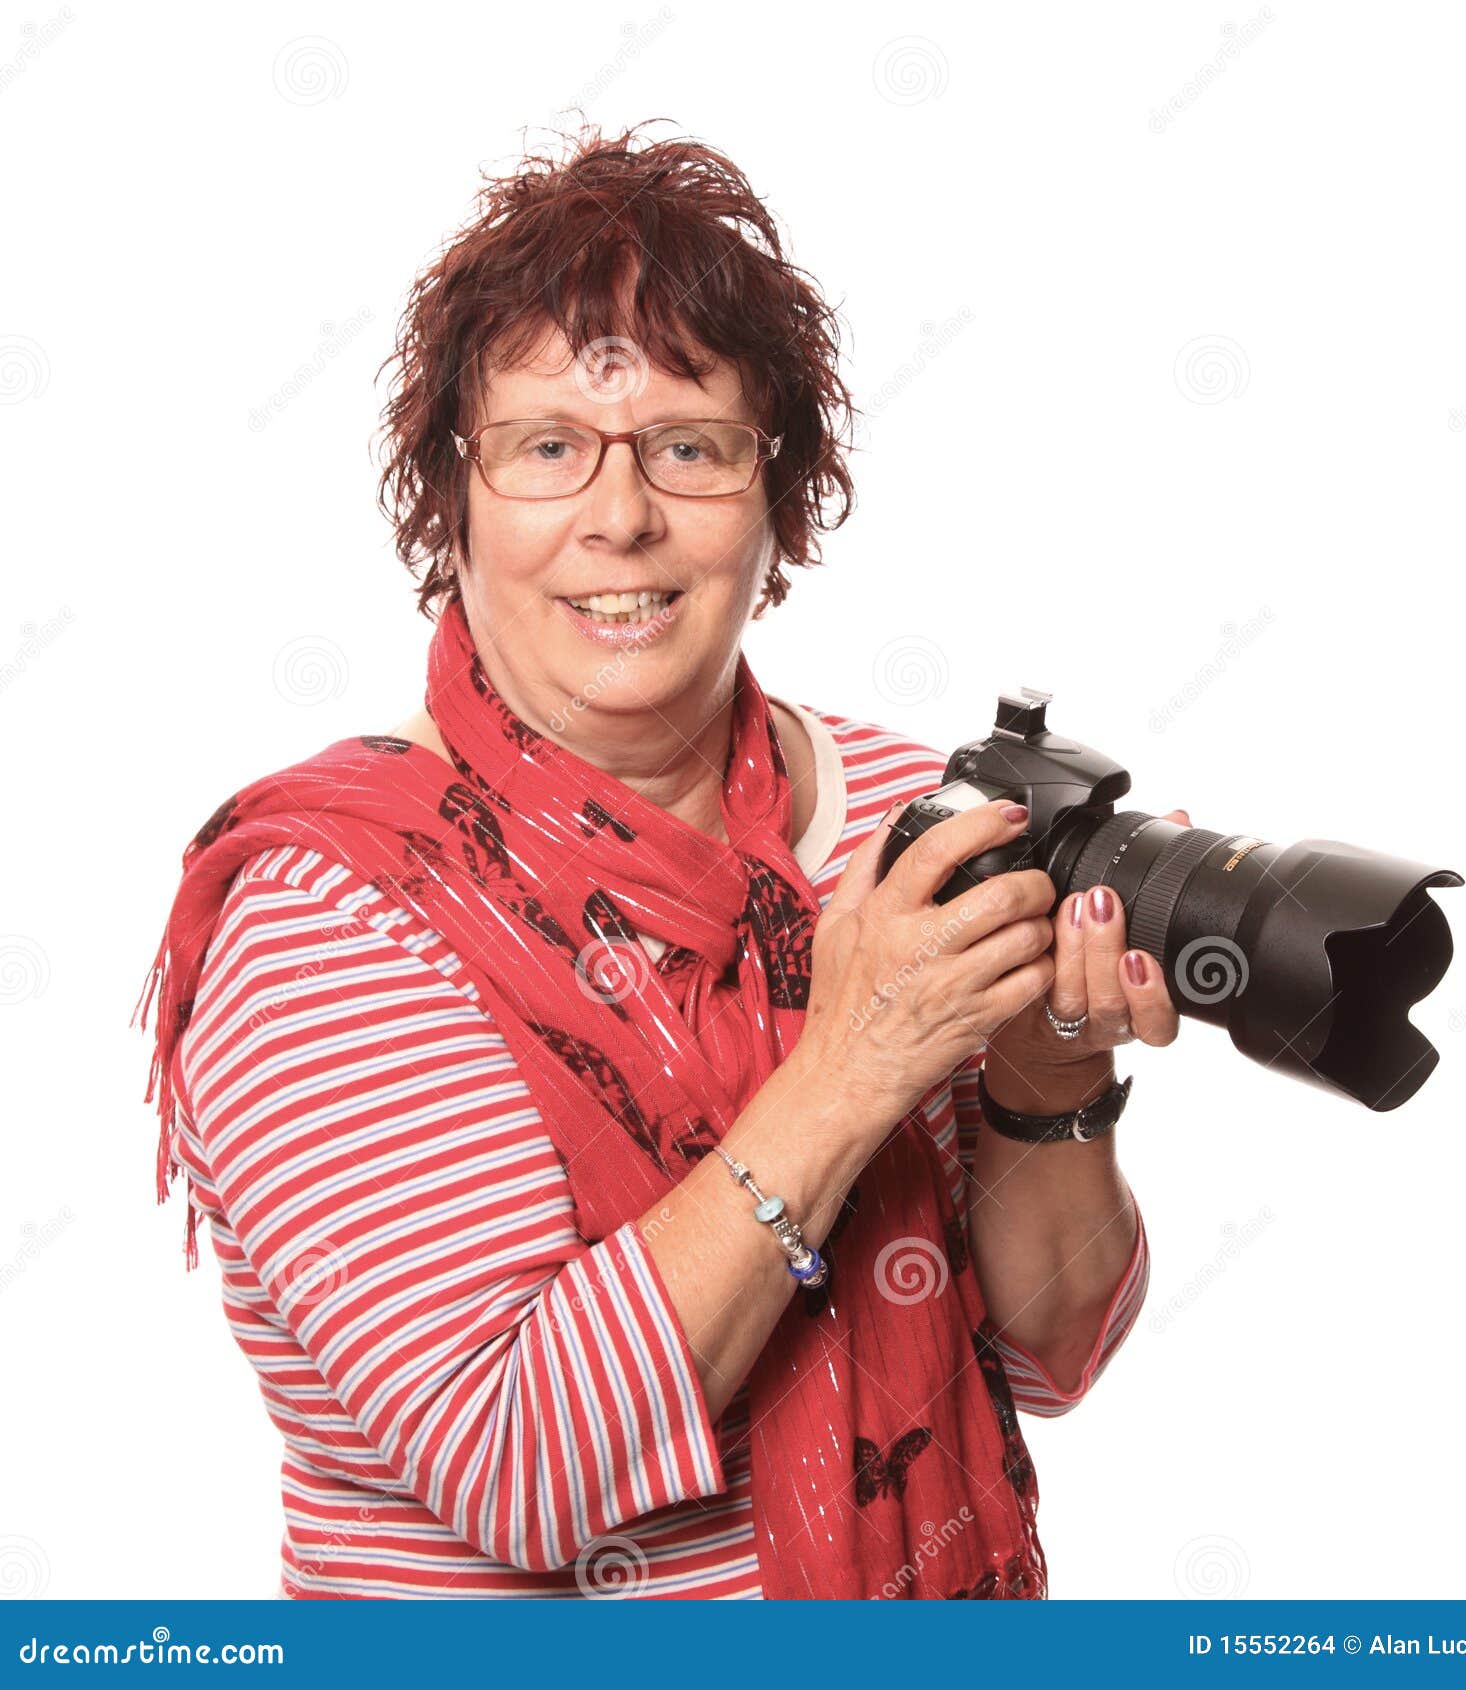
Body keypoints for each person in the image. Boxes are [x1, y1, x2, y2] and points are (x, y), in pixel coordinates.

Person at [136, 122, 1188, 1601]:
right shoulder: (330, 909)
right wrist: (853, 1066)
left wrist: (1044, 1080)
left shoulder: (908, 817)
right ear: (454, 498)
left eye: (688, 447)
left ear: (778, 493)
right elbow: (521, 1471)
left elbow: (1046, 1354)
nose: (621, 518)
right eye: (547, 448)